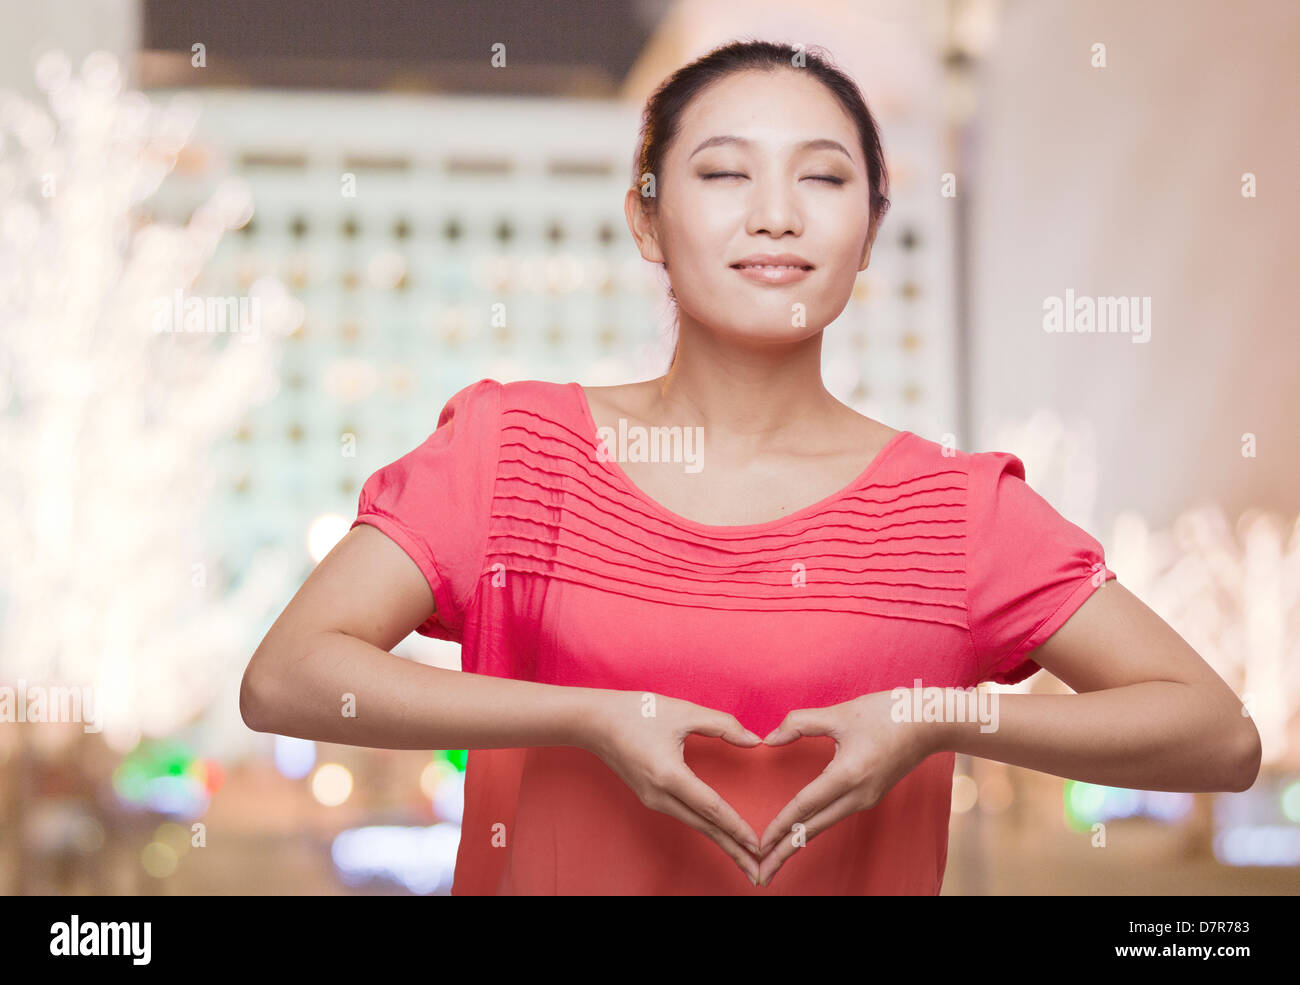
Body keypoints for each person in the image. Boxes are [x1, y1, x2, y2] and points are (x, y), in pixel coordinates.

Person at [240, 40, 1261, 894]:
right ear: (646, 217)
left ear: (868, 233)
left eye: (823, 177)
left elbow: (1215, 736)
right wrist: (589, 714)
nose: (776, 214)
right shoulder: (516, 455)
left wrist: (936, 715)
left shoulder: (955, 512)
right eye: (724, 172)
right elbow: (289, 677)